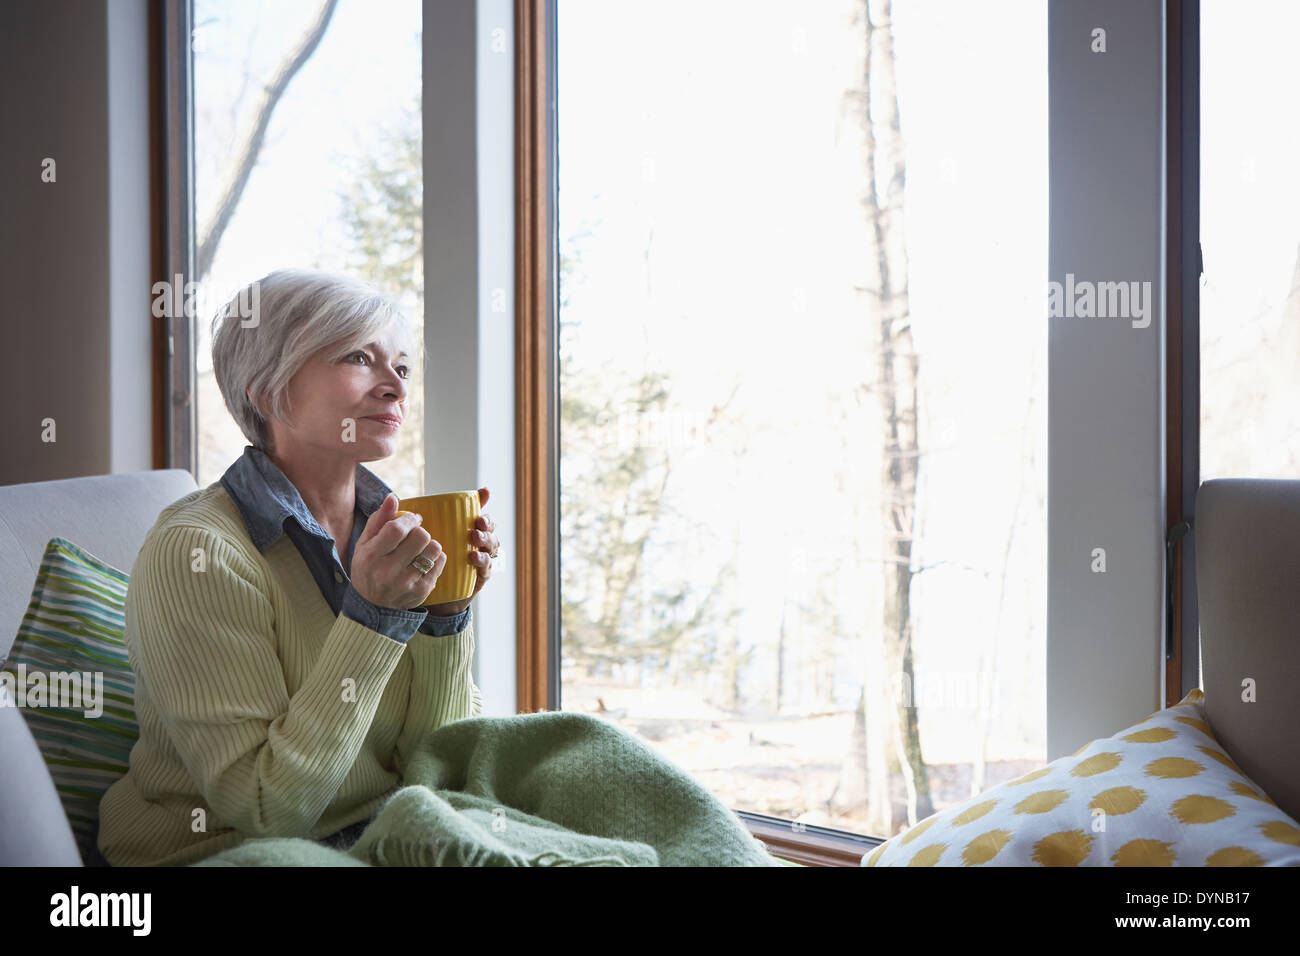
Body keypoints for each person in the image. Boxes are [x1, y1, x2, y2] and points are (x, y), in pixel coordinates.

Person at [96, 269, 500, 866]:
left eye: (404, 367)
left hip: (371, 836)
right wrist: (372, 618)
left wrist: (446, 615)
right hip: (225, 852)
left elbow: (437, 766)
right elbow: (263, 808)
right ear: (267, 389)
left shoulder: (389, 539)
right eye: (360, 357)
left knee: (581, 758)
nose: (396, 387)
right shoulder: (196, 553)